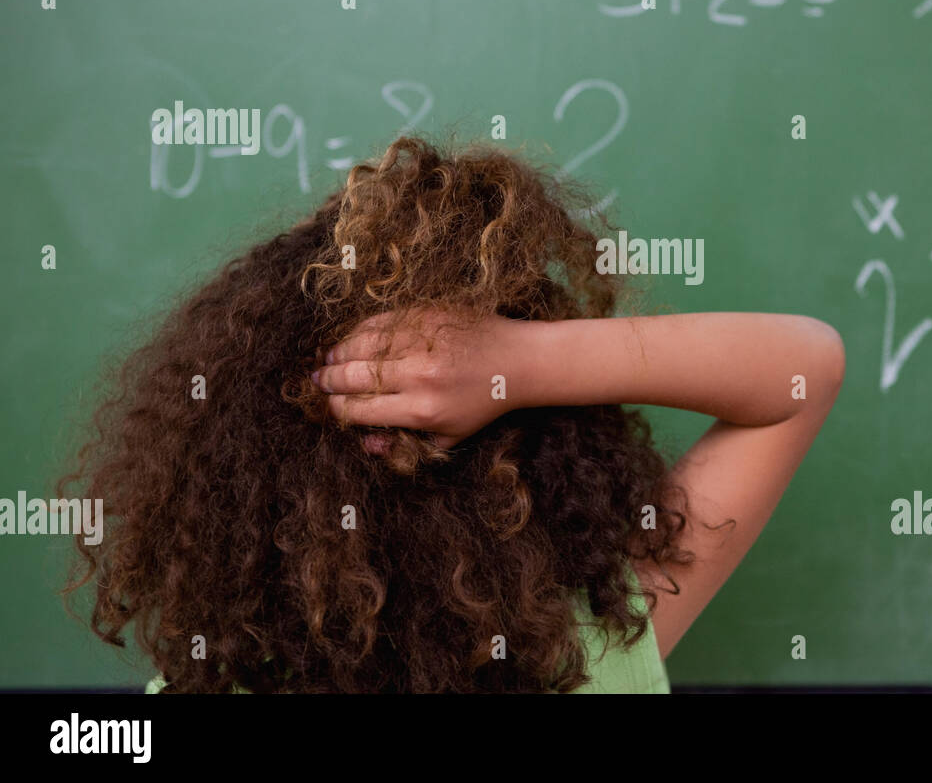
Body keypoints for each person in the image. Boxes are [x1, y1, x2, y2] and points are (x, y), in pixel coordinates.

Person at [61, 135, 844, 692]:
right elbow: (804, 370)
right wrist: (522, 362)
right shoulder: (595, 657)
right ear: (560, 452)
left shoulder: (206, 683)